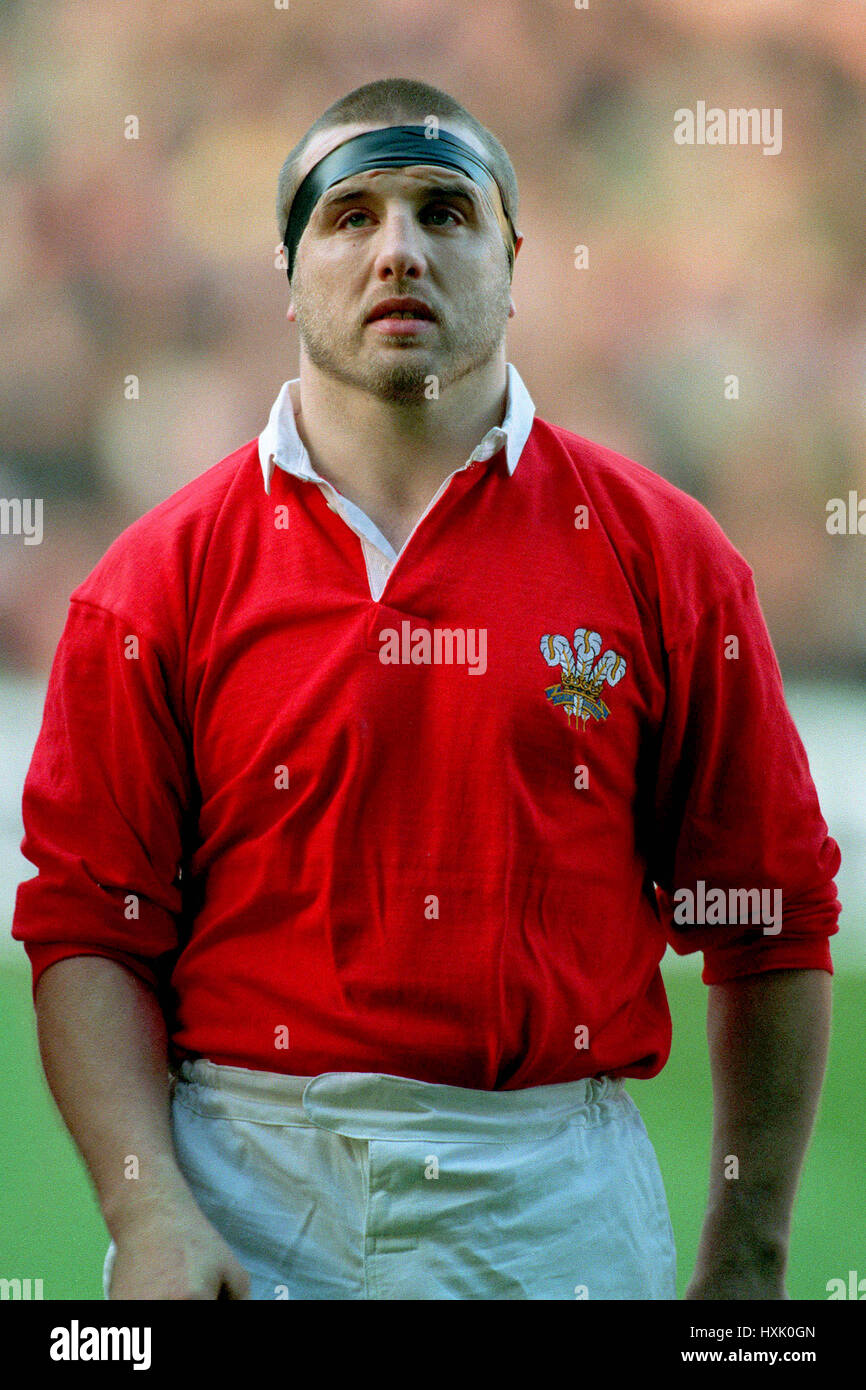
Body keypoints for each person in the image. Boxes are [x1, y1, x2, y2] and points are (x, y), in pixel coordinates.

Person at [13, 78, 840, 1302]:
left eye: (443, 210)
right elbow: (89, 927)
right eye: (350, 215)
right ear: (288, 272)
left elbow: (768, 917)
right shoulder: (154, 581)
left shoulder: (666, 558)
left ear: (510, 262)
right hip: (241, 1196)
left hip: (552, 1208)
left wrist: (751, 1258)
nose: (397, 246)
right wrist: (148, 1214)